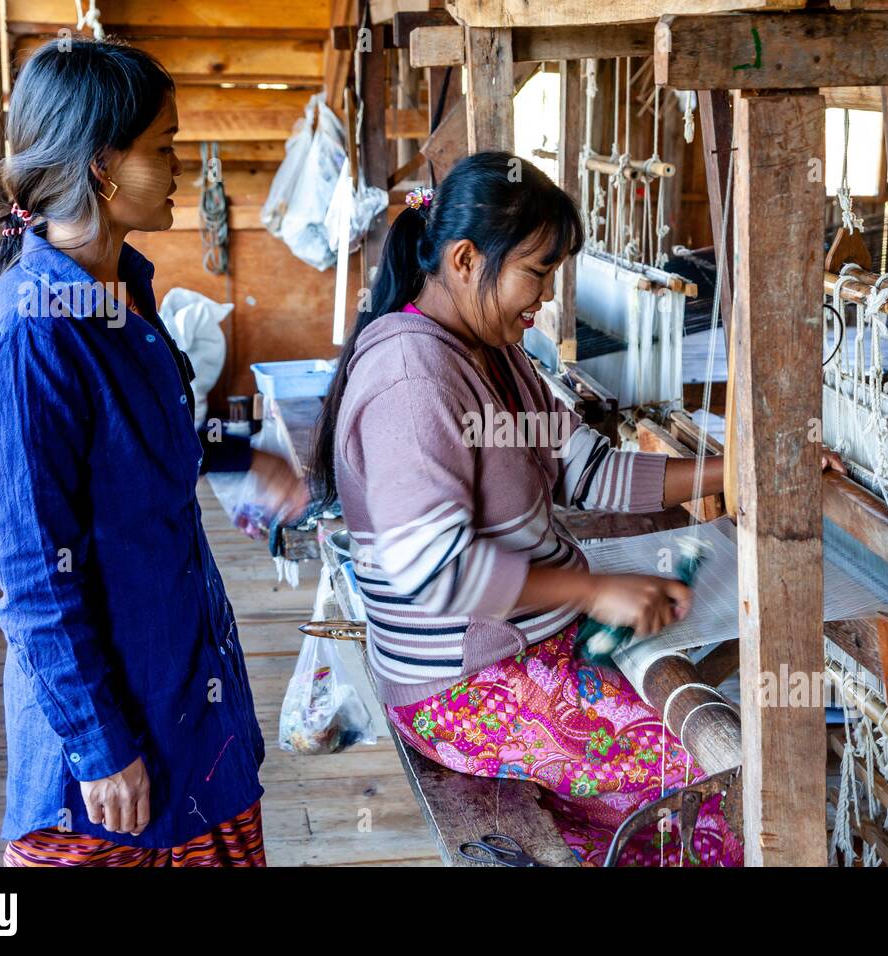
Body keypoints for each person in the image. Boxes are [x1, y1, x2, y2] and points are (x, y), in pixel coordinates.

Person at [310, 152, 843, 865]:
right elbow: (436, 572)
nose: (545, 297)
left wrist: (745, 472)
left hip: (521, 649)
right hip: (462, 689)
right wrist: (594, 590)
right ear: (465, 260)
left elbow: (587, 471)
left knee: (714, 759)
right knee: (722, 788)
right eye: (537, 272)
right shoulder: (414, 381)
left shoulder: (494, 355)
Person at [0, 40, 307, 867]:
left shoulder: (122, 292)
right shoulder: (31, 336)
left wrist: (240, 455)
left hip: (190, 707)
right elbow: (33, 577)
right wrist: (99, 745)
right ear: (103, 167)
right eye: (165, 145)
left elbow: (140, 440)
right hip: (103, 766)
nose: (179, 164)